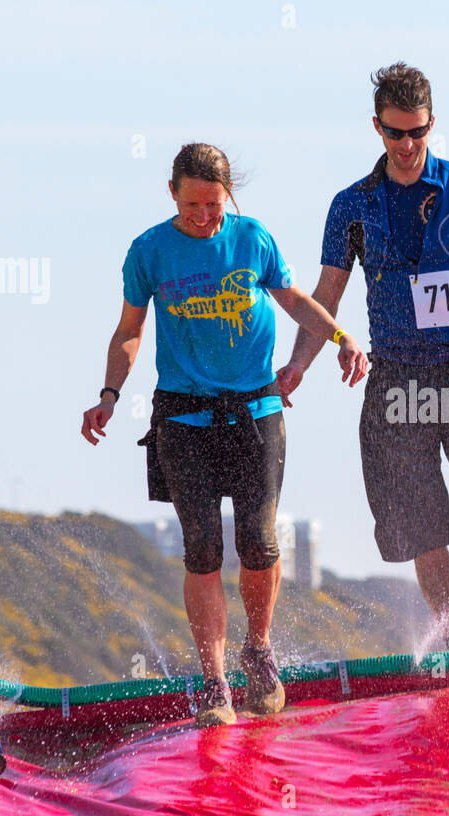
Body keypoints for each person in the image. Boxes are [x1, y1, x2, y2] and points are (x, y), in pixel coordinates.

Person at [81, 143, 368, 726]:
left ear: (227, 196)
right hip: (184, 418)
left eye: (213, 205)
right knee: (204, 550)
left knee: (260, 543)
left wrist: (342, 339)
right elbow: (130, 331)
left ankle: (257, 653)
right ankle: (215, 685)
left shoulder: (252, 238)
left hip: (257, 410)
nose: (204, 217)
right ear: (172, 194)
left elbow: (292, 299)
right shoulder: (149, 251)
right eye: (193, 205)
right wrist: (109, 394)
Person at [277, 63, 449, 651]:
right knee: (420, 530)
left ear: (431, 125)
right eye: (395, 133)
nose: (406, 145)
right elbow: (326, 296)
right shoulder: (351, 206)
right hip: (398, 379)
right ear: (377, 127)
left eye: (417, 132)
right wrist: (298, 364)